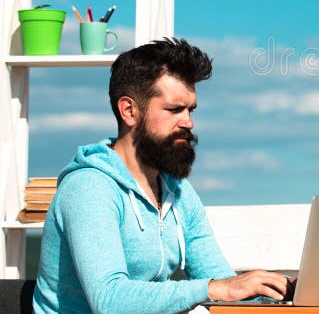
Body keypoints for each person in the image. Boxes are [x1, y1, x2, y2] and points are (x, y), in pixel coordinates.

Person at [33, 38, 290, 313]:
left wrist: (280, 291)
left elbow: (222, 284)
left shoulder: (177, 191)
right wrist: (214, 288)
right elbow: (108, 300)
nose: (188, 122)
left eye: (190, 110)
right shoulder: (89, 188)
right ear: (129, 110)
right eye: (174, 110)